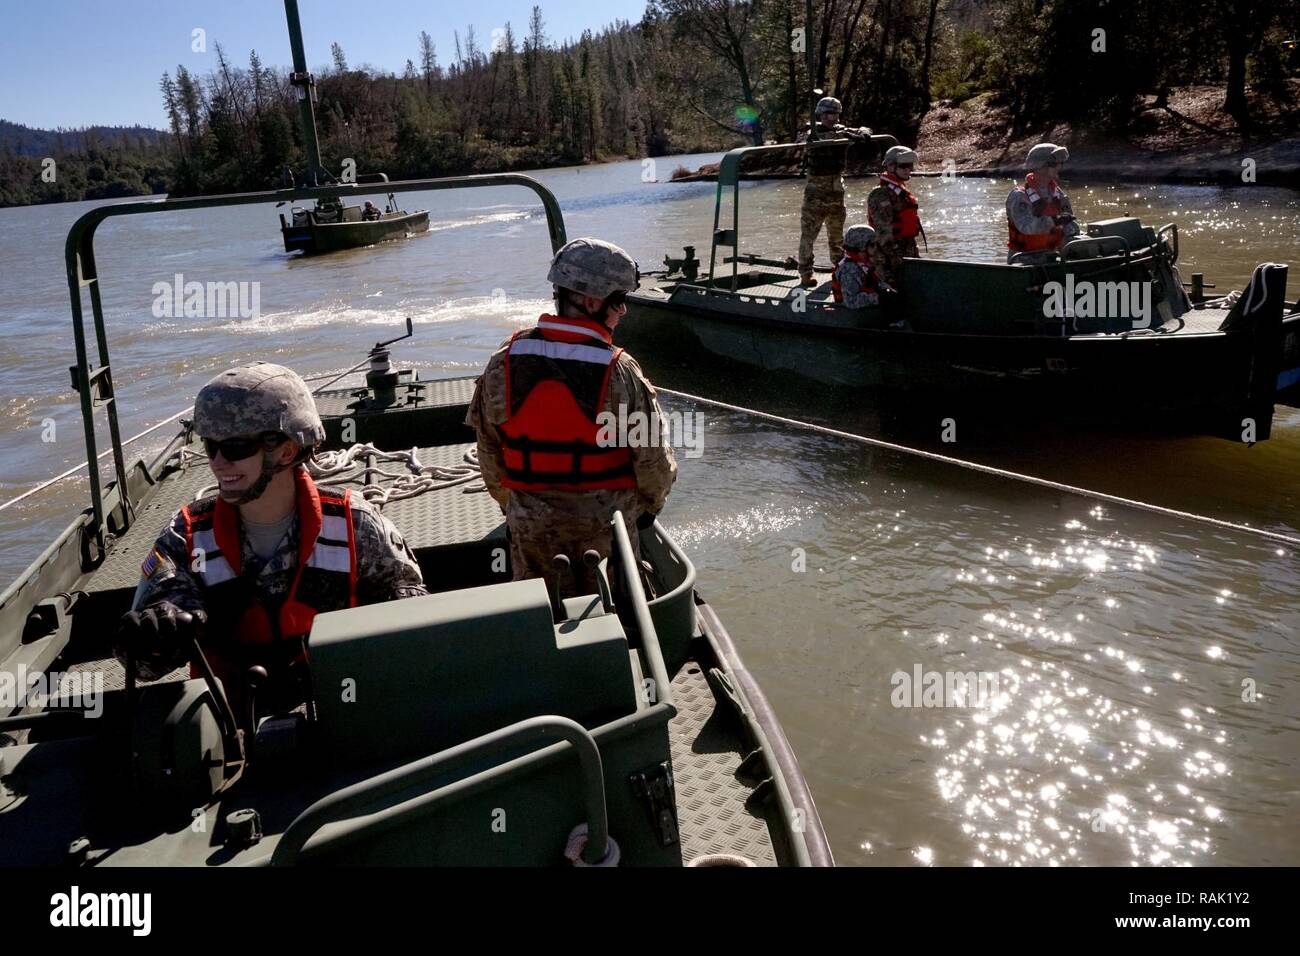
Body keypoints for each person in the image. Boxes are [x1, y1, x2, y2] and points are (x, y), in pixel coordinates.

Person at [116, 363, 426, 711]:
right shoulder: (187, 536)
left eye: (234, 447)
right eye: (210, 445)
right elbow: (144, 668)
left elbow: (413, 634)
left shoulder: (358, 527)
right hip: (230, 733)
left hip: (343, 714)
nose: (218, 462)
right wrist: (156, 635)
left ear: (286, 451)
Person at [467, 238, 677, 599]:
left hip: (531, 526)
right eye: (620, 301)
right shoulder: (620, 370)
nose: (623, 312)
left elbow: (489, 451)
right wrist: (647, 510)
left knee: (540, 610)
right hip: (608, 526)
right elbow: (653, 463)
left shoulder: (504, 358)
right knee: (618, 612)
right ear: (593, 301)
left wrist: (515, 505)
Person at [796, 96, 872, 288]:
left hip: (837, 192)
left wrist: (862, 132)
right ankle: (805, 272)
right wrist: (842, 136)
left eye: (836, 114)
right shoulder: (810, 131)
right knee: (808, 236)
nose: (833, 118)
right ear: (820, 115)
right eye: (829, 114)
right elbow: (803, 140)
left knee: (837, 237)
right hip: (815, 193)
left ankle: (839, 269)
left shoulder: (841, 130)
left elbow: (865, 130)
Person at [1006, 143, 1079, 263]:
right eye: (1054, 164)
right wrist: (1054, 220)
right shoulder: (1019, 196)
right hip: (1025, 260)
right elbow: (1027, 228)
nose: (1059, 167)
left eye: (1061, 163)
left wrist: (1072, 232)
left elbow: (1070, 224)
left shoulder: (1058, 194)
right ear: (1039, 166)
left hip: (1054, 256)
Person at [867, 145, 923, 288]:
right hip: (890, 258)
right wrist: (897, 260)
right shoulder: (880, 194)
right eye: (903, 166)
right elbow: (884, 234)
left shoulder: (899, 189)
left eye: (910, 166)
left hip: (907, 248)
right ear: (891, 166)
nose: (908, 170)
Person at [832, 224, 894, 309]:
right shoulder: (849, 270)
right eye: (872, 245)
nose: (876, 248)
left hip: (867, 308)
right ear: (861, 247)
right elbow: (851, 301)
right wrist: (878, 298)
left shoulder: (863, 263)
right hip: (854, 315)